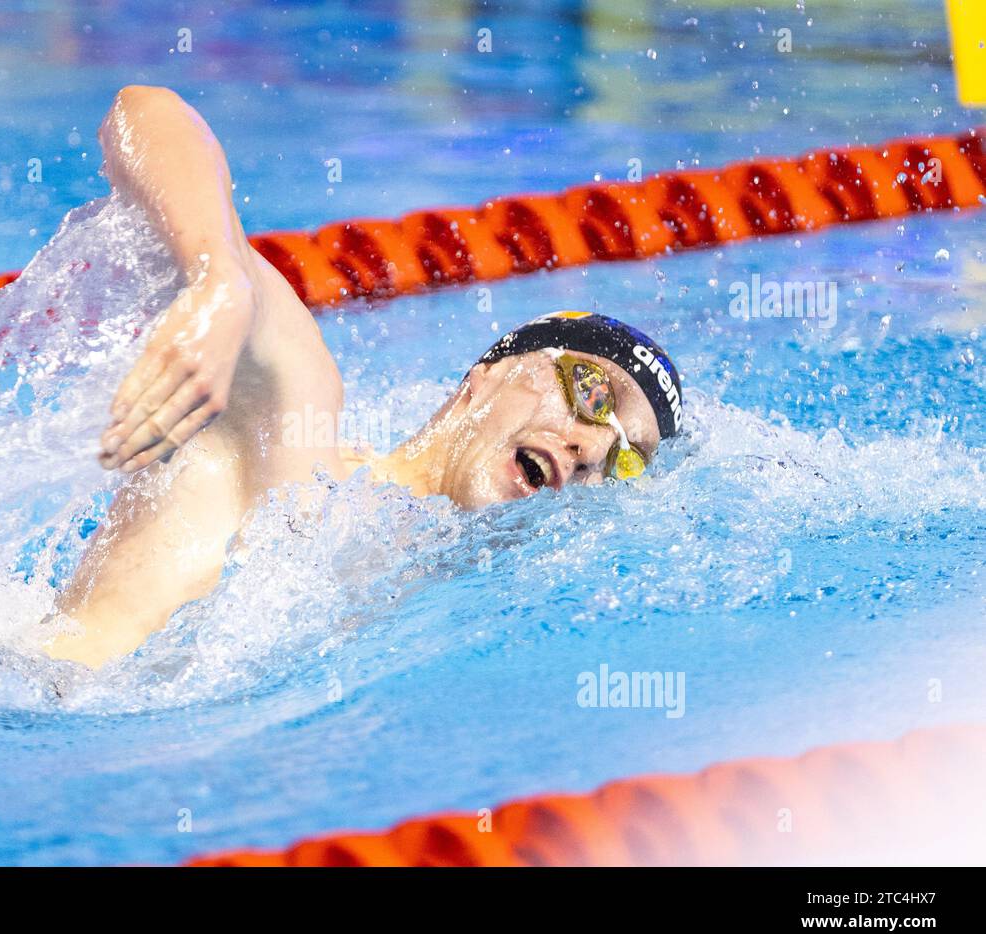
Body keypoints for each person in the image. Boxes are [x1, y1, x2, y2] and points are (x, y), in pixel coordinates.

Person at [46, 86, 683, 667]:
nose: (593, 448)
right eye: (593, 394)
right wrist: (220, 283)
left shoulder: (423, 602)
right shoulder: (298, 442)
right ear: (487, 376)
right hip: (9, 701)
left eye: (627, 461)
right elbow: (147, 110)